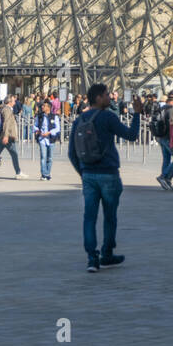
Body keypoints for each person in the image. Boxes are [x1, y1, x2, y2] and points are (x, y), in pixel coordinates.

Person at [68, 84, 142, 272]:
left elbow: (71, 153)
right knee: (110, 217)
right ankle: (107, 254)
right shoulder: (108, 117)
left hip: (89, 175)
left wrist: (83, 172)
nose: (109, 97)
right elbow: (132, 136)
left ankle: (92, 258)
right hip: (108, 174)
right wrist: (137, 114)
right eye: (107, 95)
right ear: (98, 98)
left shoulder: (80, 119)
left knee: (89, 217)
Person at [34, 99, 60, 181]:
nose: (42, 107)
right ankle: (44, 174)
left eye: (44, 106)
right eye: (42, 105)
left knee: (50, 158)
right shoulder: (39, 116)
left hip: (50, 139)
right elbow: (35, 126)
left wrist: (49, 132)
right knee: (43, 157)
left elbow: (57, 128)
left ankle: (48, 173)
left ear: (48, 107)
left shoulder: (54, 116)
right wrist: (37, 130)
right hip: (42, 139)